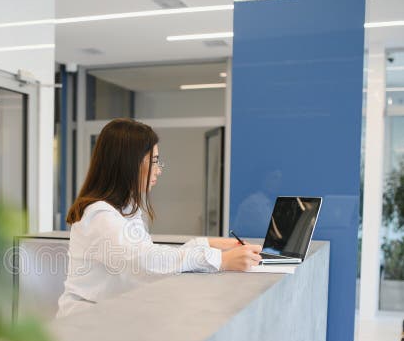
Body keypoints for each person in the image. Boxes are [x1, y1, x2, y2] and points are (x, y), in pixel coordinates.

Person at [57, 118, 262, 318]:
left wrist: (211, 245)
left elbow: (153, 257)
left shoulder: (128, 209)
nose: (159, 170)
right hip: (85, 323)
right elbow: (147, 262)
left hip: (109, 317)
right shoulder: (100, 215)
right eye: (154, 161)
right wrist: (220, 260)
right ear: (129, 163)